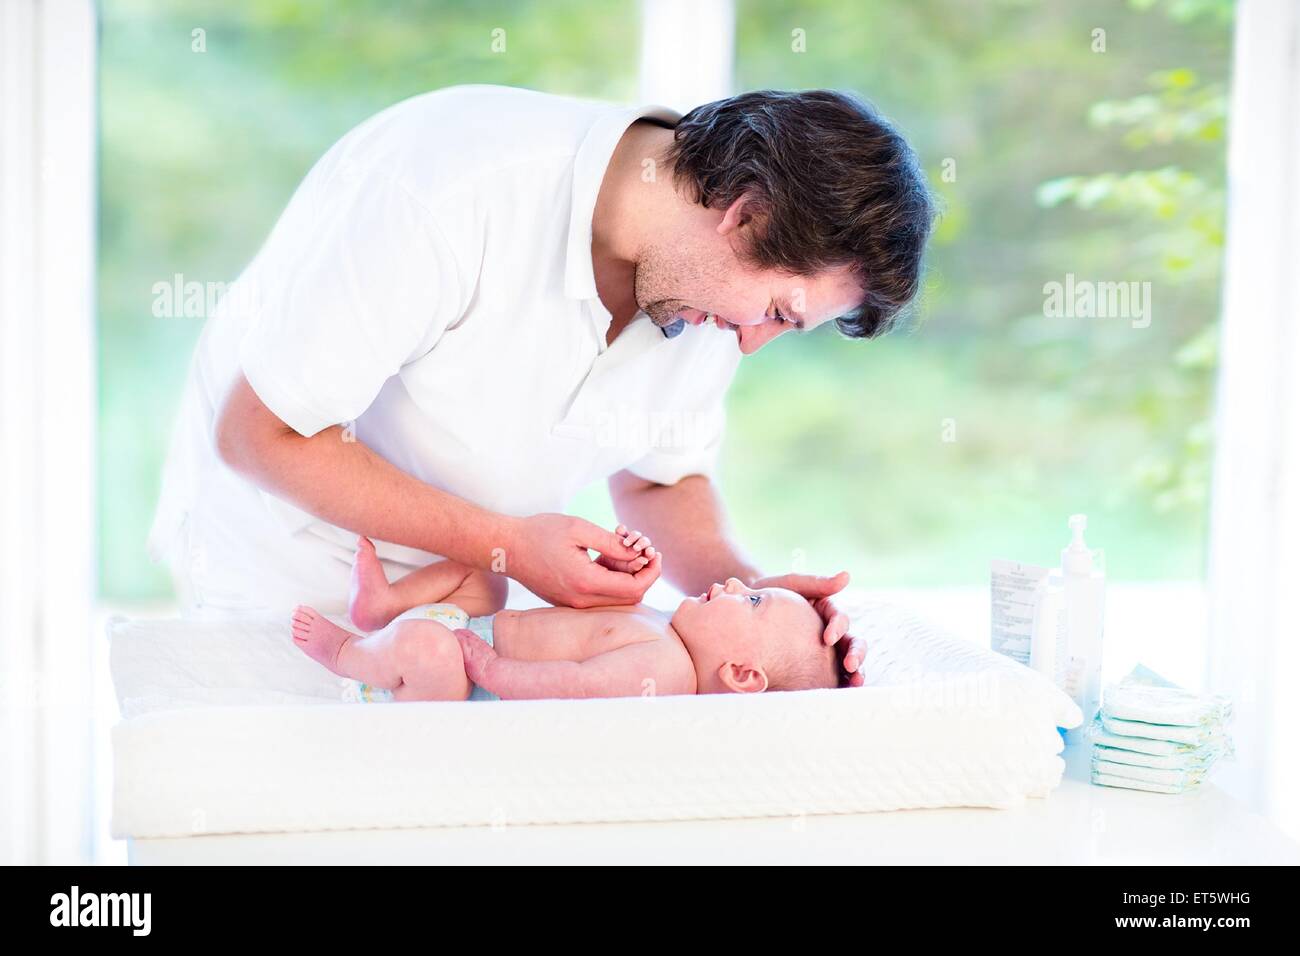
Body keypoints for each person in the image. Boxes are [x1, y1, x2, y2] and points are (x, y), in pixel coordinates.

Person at [151, 85, 935, 689]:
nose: (754, 342)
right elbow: (261, 435)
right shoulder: (452, 189)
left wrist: (759, 602)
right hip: (282, 577)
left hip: (463, 607)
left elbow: (664, 482)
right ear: (745, 215)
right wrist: (508, 543)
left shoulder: (702, 296)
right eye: (776, 312)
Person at [291, 529, 839, 701]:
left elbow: (577, 683)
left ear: (742, 674)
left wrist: (492, 670)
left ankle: (347, 655)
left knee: (427, 646)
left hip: (456, 679)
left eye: (753, 601)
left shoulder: (666, 673)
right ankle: (384, 608)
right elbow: (588, 612)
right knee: (487, 574)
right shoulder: (665, 625)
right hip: (471, 633)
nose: (742, 584)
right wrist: (614, 567)